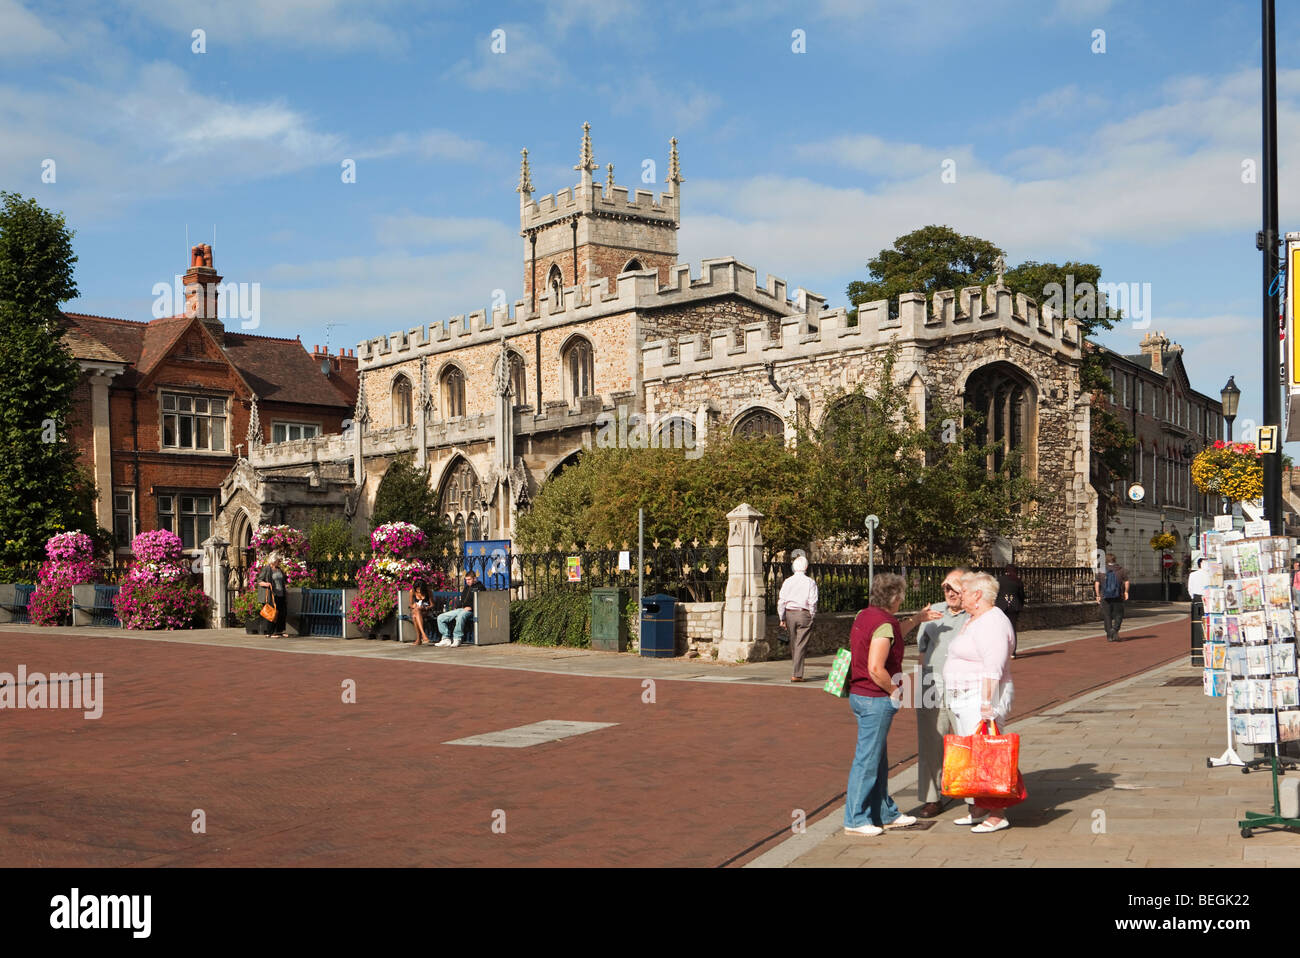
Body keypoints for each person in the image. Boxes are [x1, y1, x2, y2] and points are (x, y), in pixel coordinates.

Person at [843, 573, 943, 837]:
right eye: (902, 596)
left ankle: (884, 813)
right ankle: (855, 818)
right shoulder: (883, 624)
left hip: (861, 695)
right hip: (874, 697)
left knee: (876, 759)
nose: (903, 600)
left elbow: (891, 632)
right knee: (867, 760)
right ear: (895, 597)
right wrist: (895, 691)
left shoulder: (866, 615)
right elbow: (876, 668)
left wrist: (917, 620)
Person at [943, 571, 1016, 833]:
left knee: (987, 755)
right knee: (972, 755)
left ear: (977, 595)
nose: (959, 595)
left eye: (963, 591)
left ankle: (997, 812)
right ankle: (979, 806)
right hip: (966, 696)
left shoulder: (993, 622)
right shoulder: (976, 619)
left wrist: (986, 703)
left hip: (980, 696)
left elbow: (993, 667)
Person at [915, 568, 970, 818]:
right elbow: (921, 648)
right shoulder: (933, 613)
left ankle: (973, 795)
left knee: (966, 740)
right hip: (931, 684)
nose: (949, 593)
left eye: (954, 588)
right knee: (930, 741)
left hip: (963, 685)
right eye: (946, 588)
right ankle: (932, 798)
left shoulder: (974, 614)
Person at [778, 555, 819, 683]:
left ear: (793, 567)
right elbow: (813, 601)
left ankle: (796, 670)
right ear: (806, 567)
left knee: (794, 643)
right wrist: (812, 615)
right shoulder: (810, 582)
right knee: (801, 644)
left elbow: (781, 601)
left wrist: (782, 617)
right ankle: (797, 674)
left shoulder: (787, 581)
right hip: (803, 613)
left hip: (790, 613)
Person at [436, 570, 485, 647]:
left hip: (472, 611)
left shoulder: (480, 587)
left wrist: (471, 607)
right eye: (466, 580)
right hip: (462, 609)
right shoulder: (466, 588)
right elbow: (462, 600)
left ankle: (457, 638)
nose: (467, 581)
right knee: (441, 617)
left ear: (474, 579)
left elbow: (482, 602)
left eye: (469, 579)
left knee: (460, 616)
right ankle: (446, 638)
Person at [1094, 553, 1130, 642]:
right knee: (1119, 614)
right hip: (1118, 596)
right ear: (1115, 560)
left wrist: (1098, 595)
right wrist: (1126, 592)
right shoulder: (1122, 570)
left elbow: (1097, 584)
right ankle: (1114, 629)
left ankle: (1109, 636)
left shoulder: (1101, 571)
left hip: (1105, 596)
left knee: (1107, 616)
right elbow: (1127, 582)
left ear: (1106, 560)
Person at [995, 564, 1026, 659]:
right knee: (1012, 629)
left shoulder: (999, 580)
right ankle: (1012, 652)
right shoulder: (1018, 581)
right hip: (1014, 607)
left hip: (1001, 607)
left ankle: (1001, 651)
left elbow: (996, 593)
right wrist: (1020, 605)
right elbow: (1022, 596)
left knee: (1001, 630)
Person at [257, 555, 288, 638]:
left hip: (281, 594)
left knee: (281, 613)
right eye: (278, 560)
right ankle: (270, 632)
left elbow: (283, 580)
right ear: (274, 561)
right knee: (272, 613)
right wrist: (266, 584)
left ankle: (279, 631)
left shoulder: (279, 569)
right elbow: (259, 580)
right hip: (272, 595)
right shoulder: (267, 569)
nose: (279, 562)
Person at [410, 581, 432, 646]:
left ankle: (419, 639)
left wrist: (426, 607)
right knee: (416, 612)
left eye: (420, 589)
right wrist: (414, 606)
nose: (418, 590)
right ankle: (423, 634)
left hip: (426, 611)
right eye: (417, 589)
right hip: (417, 611)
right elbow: (411, 604)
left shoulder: (428, 592)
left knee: (414, 616)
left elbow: (432, 604)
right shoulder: (412, 592)